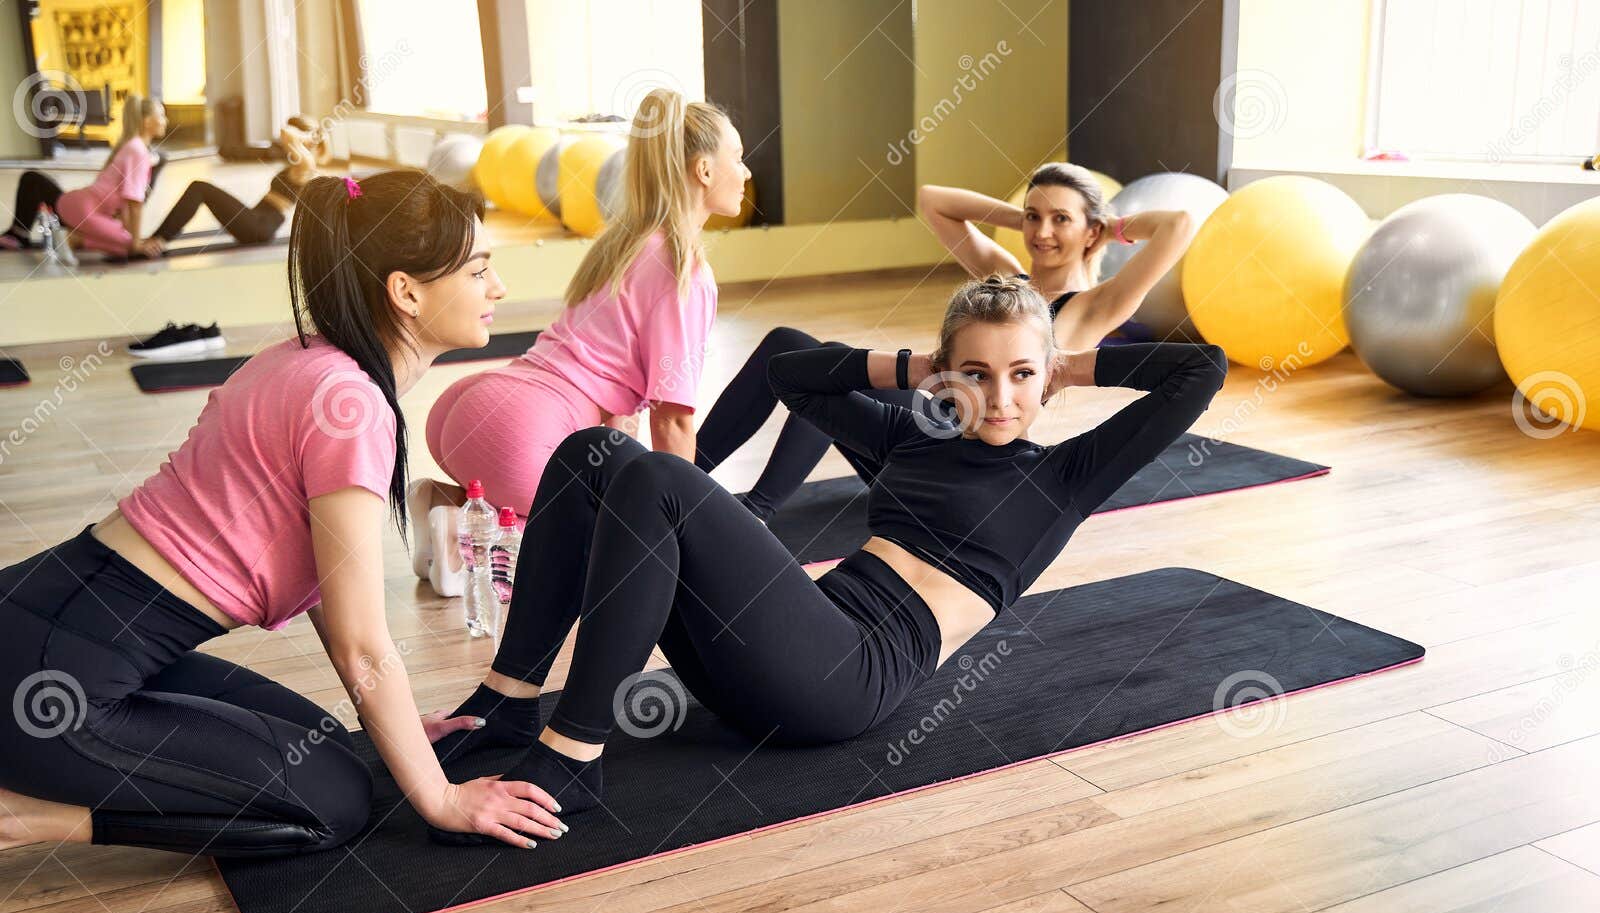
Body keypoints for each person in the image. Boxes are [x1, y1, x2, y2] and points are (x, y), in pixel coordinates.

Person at [427, 275, 1228, 842]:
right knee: (594, 451)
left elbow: (1202, 368)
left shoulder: (1065, 476)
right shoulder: (916, 431)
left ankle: (574, 758)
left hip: (848, 682)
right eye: (978, 374)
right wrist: (917, 373)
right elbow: (787, 370)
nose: (1004, 397)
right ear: (946, 373)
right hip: (788, 644)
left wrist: (1060, 365)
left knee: (657, 477)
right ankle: (509, 697)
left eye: (1022, 376)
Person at [0, 170, 573, 858]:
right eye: (479, 270)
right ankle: (26, 816)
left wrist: (401, 730)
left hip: (49, 624)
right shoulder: (351, 406)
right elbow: (364, 641)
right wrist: (441, 797)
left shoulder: (305, 360)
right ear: (406, 291)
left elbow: (334, 604)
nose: (498, 288)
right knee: (332, 803)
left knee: (331, 750)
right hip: (57, 680)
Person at [695, 162, 1199, 522]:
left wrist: (1107, 227)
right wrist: (1024, 216)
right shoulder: (1007, 282)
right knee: (791, 346)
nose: (1042, 231)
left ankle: (757, 512)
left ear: (1089, 230)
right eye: (1033, 217)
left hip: (960, 463)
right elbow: (935, 201)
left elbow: (1179, 225)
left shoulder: (1094, 305)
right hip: (919, 438)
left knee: (831, 374)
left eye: (1059, 220)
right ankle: (688, 472)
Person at [408, 89, 749, 598]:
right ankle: (473, 542)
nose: (745, 173)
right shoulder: (685, 271)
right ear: (703, 171)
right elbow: (672, 419)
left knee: (608, 494)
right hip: (524, 432)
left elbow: (607, 386)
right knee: (624, 540)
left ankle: (451, 502)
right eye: (737, 159)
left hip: (470, 406)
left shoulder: (622, 242)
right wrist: (688, 528)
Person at [1, 95, 167, 260]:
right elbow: (134, 203)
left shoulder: (134, 147)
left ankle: (72, 238)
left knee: (128, 246)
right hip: (86, 210)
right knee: (128, 248)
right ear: (146, 121)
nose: (165, 120)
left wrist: (132, 238)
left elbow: (125, 205)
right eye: (161, 115)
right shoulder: (137, 151)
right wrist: (135, 243)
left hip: (92, 211)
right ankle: (68, 238)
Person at [141, 116, 331, 252]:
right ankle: (157, 238)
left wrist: (308, 137)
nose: (284, 143)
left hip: (259, 226)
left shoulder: (306, 164)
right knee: (200, 188)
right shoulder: (301, 163)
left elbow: (286, 132)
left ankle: (156, 240)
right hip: (257, 218)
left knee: (199, 188)